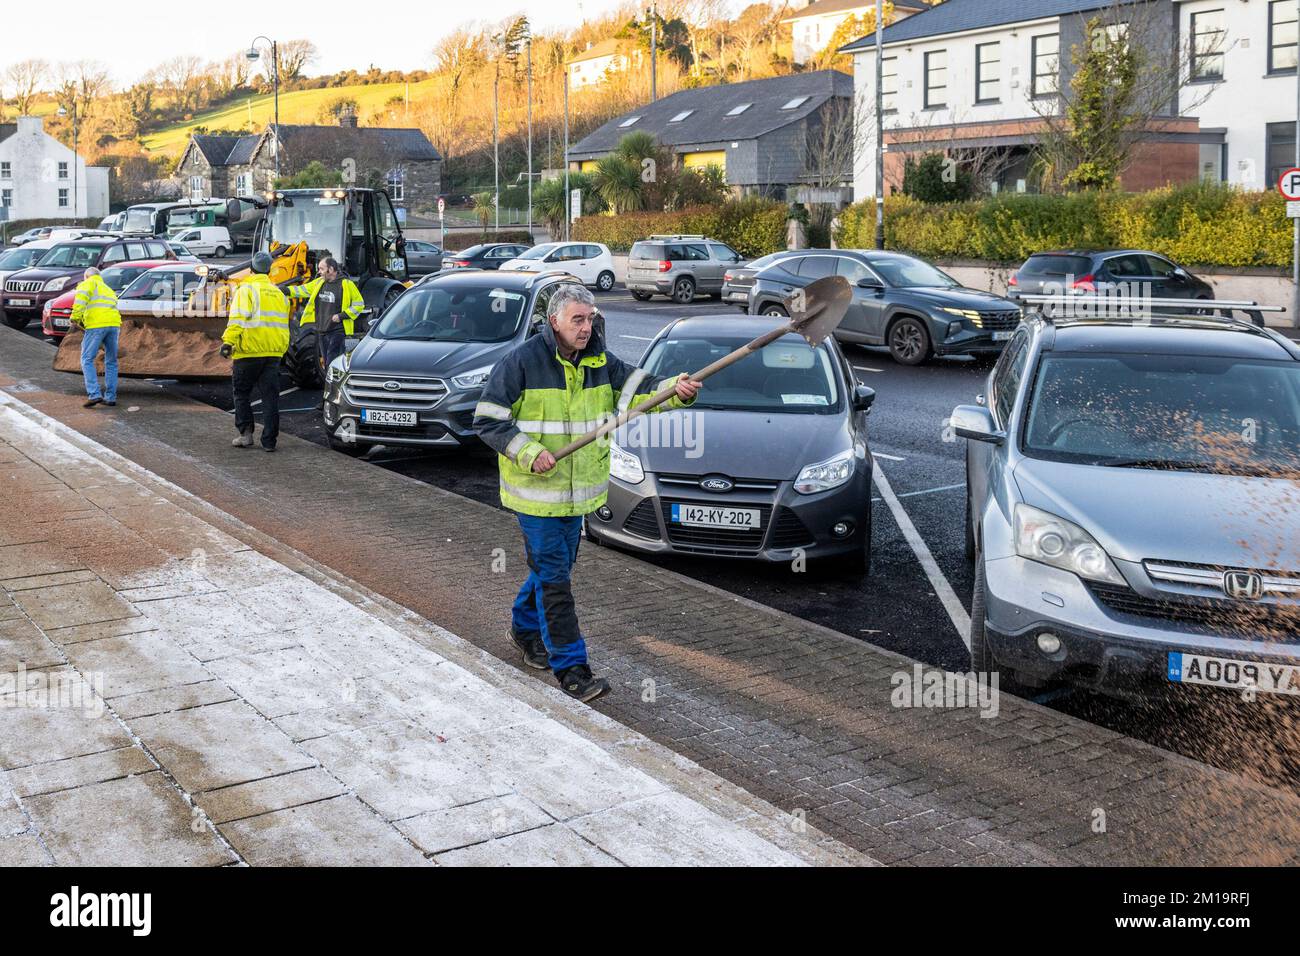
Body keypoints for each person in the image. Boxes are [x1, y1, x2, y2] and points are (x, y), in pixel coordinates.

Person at [473, 284, 701, 703]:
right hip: (536, 496)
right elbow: (488, 420)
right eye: (577, 319)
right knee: (555, 580)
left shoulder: (600, 362)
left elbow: (642, 391)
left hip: (579, 497)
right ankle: (572, 670)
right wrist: (530, 452)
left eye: (590, 319)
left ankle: (524, 631)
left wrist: (676, 389)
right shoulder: (521, 362)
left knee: (550, 570)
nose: (586, 327)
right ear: (554, 321)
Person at [221, 252, 291, 452]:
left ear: (251, 269)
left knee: (241, 393)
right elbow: (283, 324)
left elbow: (238, 319)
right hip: (273, 353)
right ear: (269, 271)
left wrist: (228, 342)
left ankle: (246, 435)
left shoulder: (246, 290)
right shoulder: (279, 294)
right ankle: (269, 441)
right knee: (270, 397)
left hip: (249, 353)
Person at [286, 256, 365, 373]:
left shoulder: (347, 284)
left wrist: (341, 316)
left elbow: (359, 304)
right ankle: (331, 384)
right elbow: (302, 290)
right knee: (327, 363)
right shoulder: (319, 282)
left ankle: (333, 383)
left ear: (331, 269)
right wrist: (286, 290)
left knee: (333, 362)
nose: (319, 272)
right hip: (322, 330)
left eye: (321, 269)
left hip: (338, 330)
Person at [71, 267, 121, 409]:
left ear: (86, 276)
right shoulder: (108, 289)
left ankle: (94, 394)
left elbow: (80, 301)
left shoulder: (87, 284)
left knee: (87, 359)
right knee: (111, 362)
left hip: (96, 326)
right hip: (114, 325)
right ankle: (110, 398)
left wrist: (75, 317)